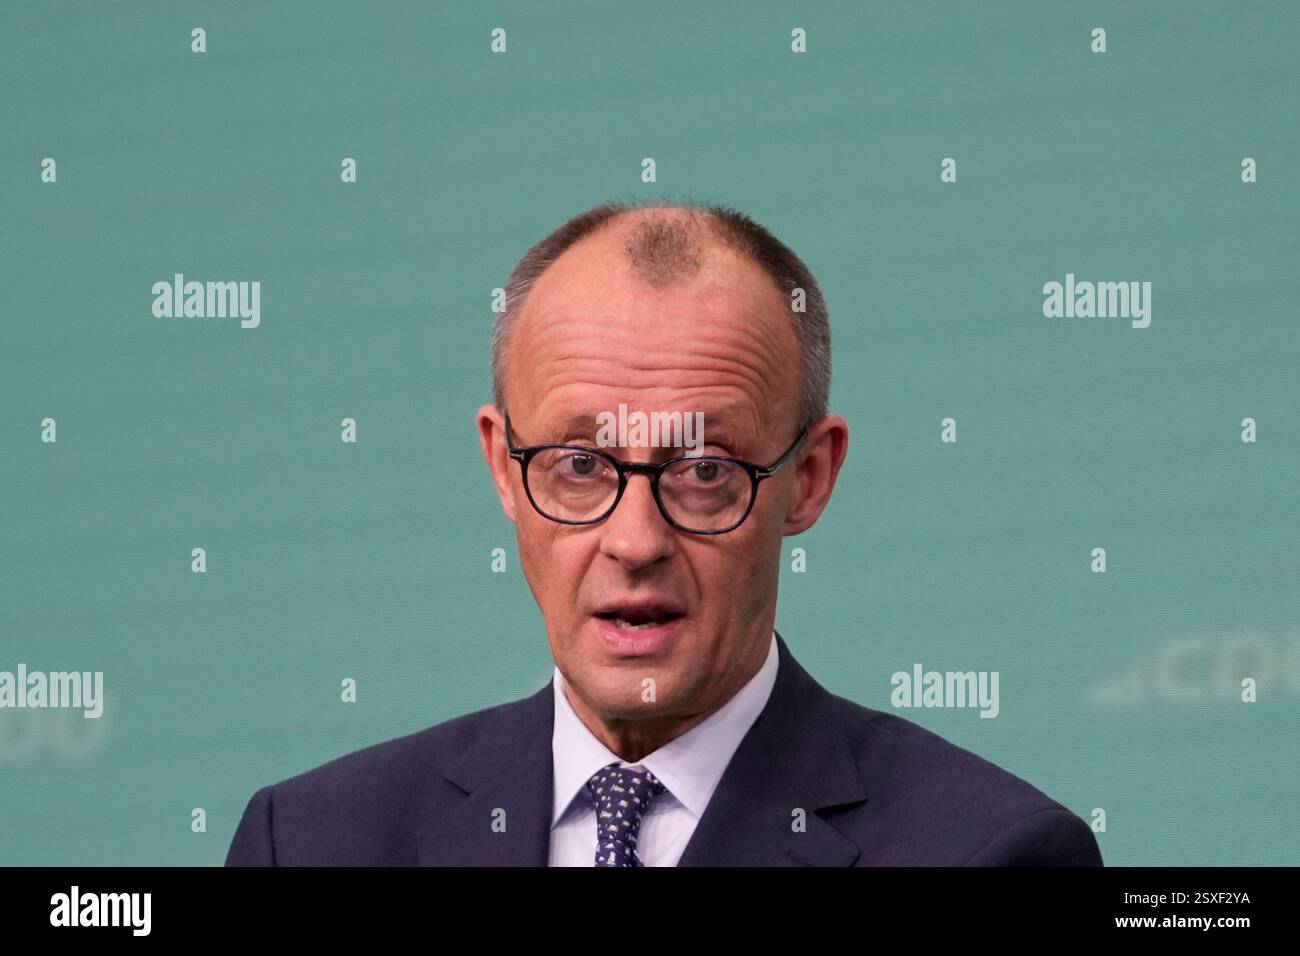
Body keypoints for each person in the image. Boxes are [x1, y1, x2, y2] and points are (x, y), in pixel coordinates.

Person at [226, 199, 1102, 866]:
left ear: (809, 479)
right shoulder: (307, 842)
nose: (634, 541)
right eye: (578, 464)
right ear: (502, 466)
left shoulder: (991, 854)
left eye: (704, 471)